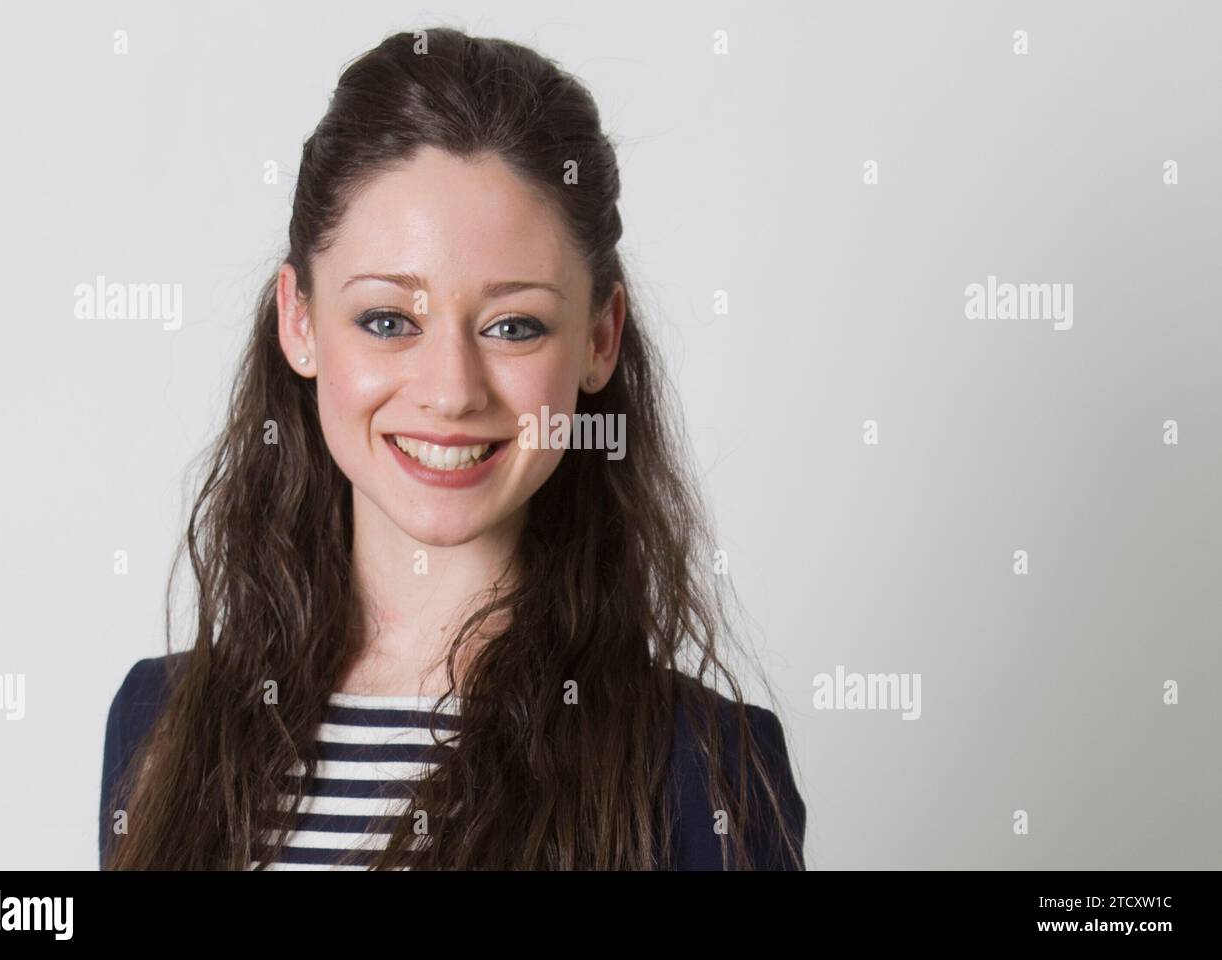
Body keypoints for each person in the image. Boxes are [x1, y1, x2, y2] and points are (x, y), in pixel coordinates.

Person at [99, 25, 806, 871]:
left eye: (514, 325)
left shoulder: (707, 769)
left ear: (599, 338)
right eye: (388, 320)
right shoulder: (157, 724)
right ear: (300, 321)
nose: (452, 389)